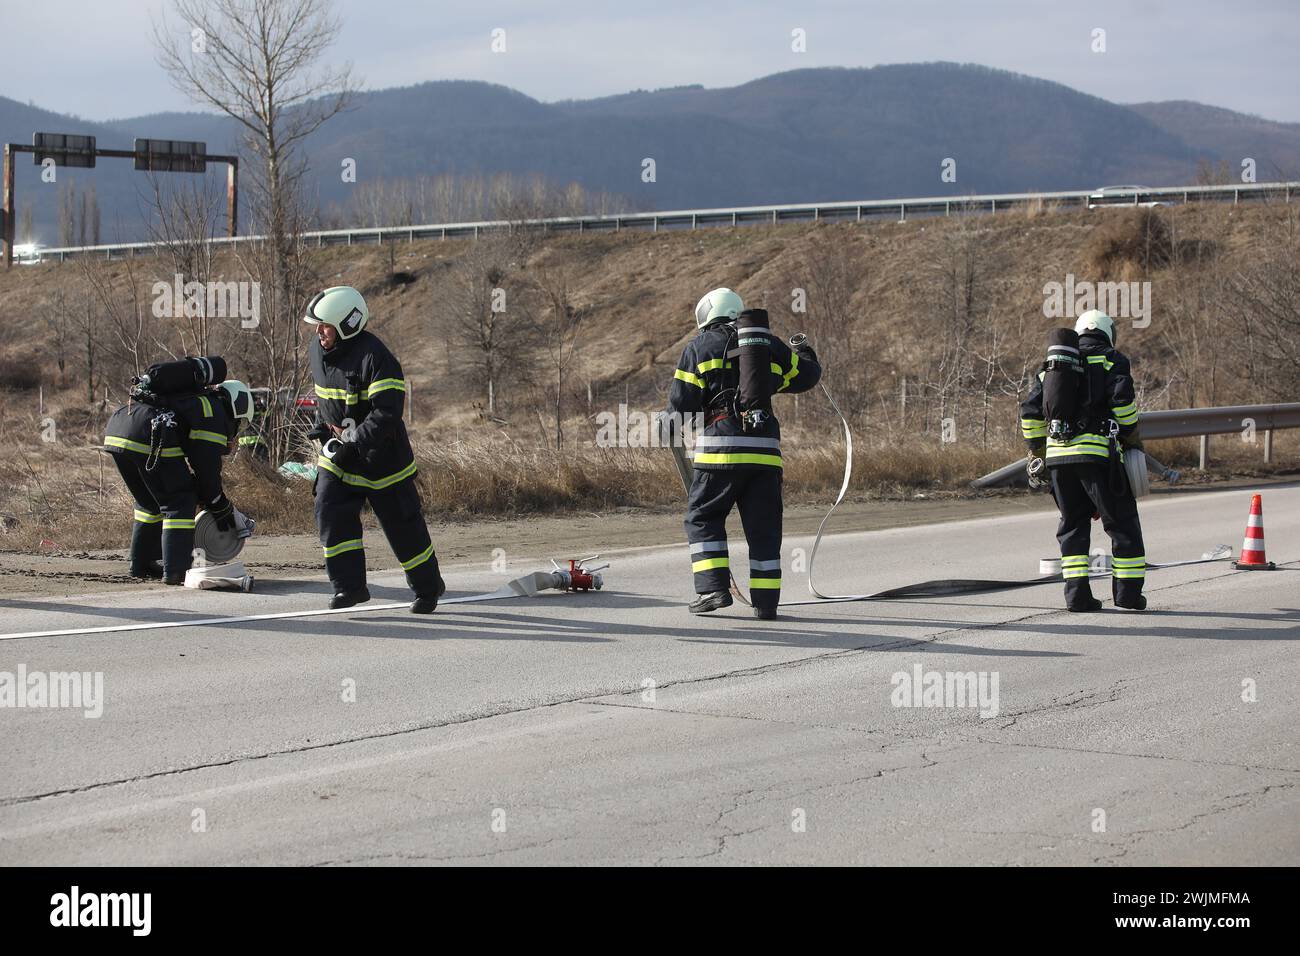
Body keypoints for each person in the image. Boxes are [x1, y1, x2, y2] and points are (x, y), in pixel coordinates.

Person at [665, 287, 822, 620]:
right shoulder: (768, 346)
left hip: (719, 452)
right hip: (765, 455)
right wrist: (805, 351)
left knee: (704, 517)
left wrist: (667, 424)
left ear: (706, 315)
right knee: (764, 530)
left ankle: (713, 590)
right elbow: (807, 376)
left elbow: (681, 406)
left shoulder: (699, 347)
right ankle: (766, 604)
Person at [303, 285, 444, 613]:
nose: (318, 331)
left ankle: (427, 587)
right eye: (318, 325)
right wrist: (324, 426)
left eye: (325, 325)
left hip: (383, 458)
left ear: (346, 324)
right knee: (329, 508)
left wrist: (356, 445)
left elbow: (387, 413)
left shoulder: (377, 358)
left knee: (402, 527)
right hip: (340, 453)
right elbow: (327, 396)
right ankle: (349, 588)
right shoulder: (317, 351)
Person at [1020, 309, 1147, 612]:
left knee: (1072, 526)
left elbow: (1030, 412)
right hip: (1098, 457)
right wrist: (1130, 434)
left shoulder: (1054, 365)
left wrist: (1038, 450)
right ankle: (1128, 594)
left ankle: (1077, 596)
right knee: (1122, 524)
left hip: (1058, 460)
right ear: (1108, 333)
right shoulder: (1111, 359)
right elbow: (1123, 404)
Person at [105, 364, 254, 584]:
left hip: (119, 429)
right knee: (180, 501)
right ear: (237, 407)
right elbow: (206, 468)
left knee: (150, 503)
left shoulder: (197, 401)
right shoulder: (213, 412)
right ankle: (176, 571)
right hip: (147, 435)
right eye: (240, 423)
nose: (236, 431)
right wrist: (218, 504)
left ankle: (141, 564)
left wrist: (208, 495)